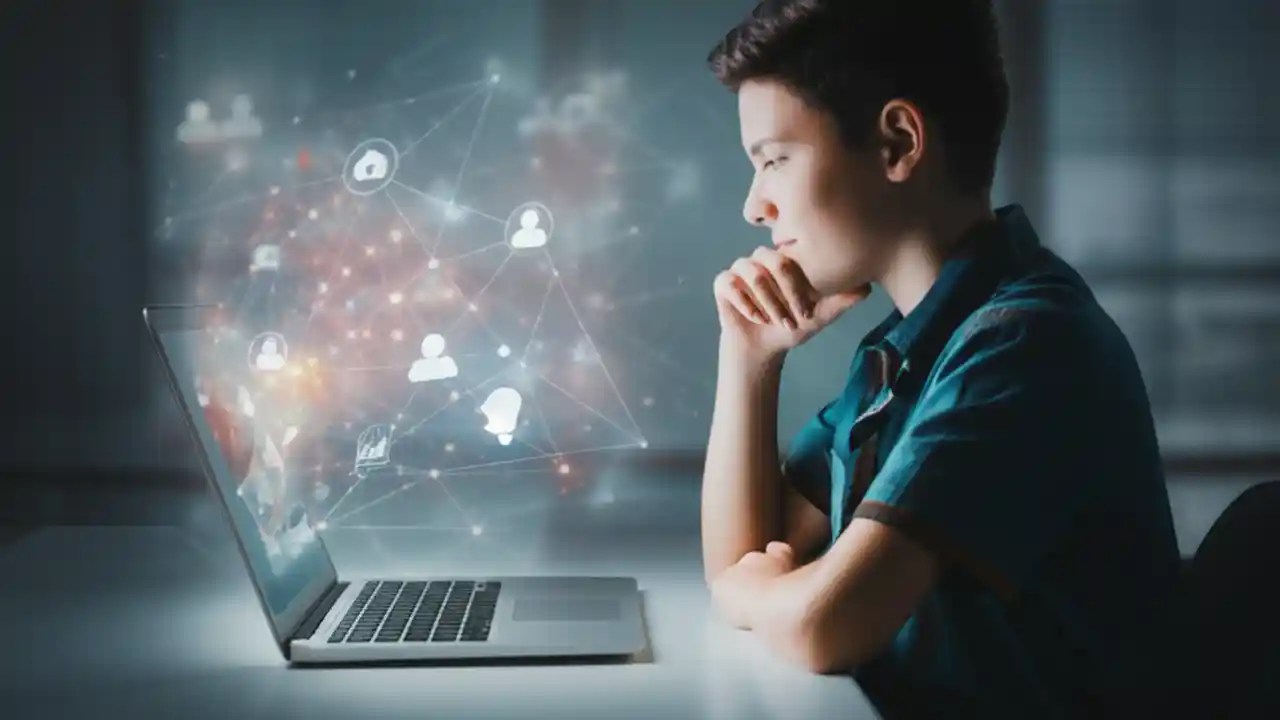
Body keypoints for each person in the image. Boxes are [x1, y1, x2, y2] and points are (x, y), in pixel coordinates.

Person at [699, 2, 1181, 716]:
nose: (755, 206)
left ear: (897, 142)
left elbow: (823, 626)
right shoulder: (905, 348)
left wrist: (753, 592)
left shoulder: (1024, 343)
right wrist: (749, 360)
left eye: (774, 160)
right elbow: (752, 548)